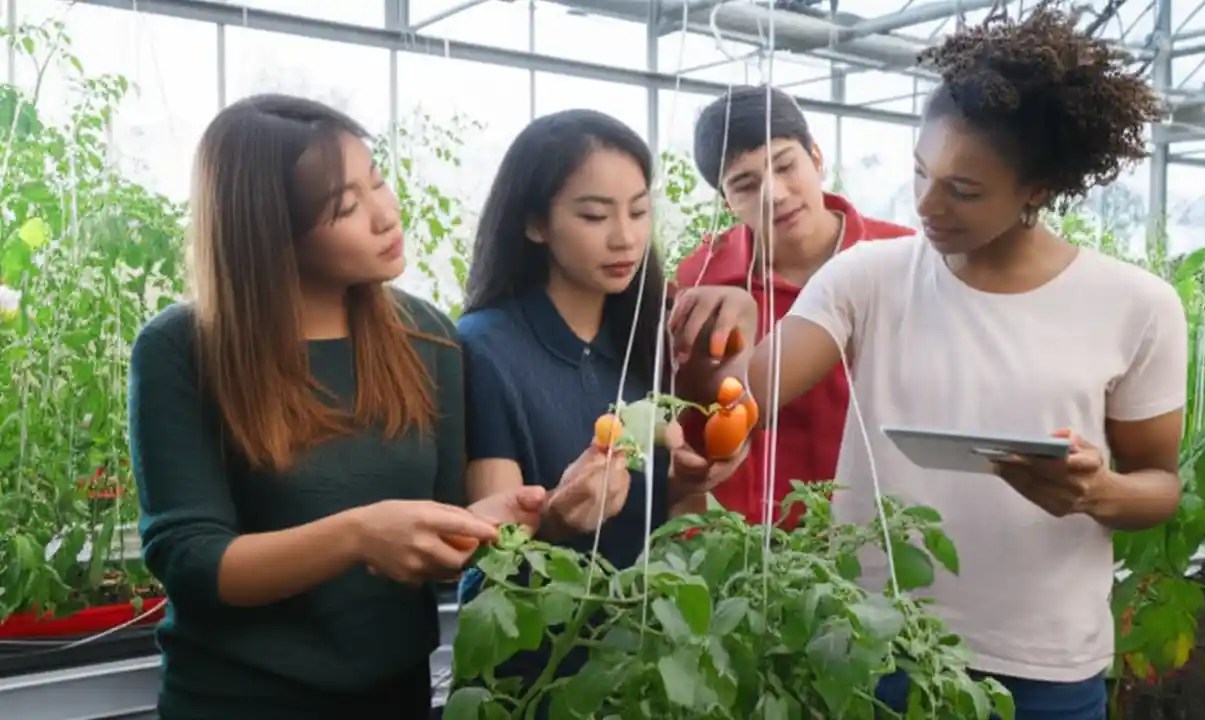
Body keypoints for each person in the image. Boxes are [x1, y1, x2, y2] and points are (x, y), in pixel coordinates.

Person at [734, 6, 1183, 719]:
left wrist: (1095, 491)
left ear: (1038, 188)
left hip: (1042, 664)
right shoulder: (867, 278)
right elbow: (748, 396)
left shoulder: (1137, 304)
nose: (926, 204)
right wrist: (731, 342)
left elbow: (1160, 483)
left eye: (963, 191)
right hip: (874, 641)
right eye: (921, 172)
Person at [128, 94, 542, 720]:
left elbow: (437, 533)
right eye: (347, 206)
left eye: (376, 181)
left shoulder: (425, 336)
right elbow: (193, 562)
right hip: (239, 703)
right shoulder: (182, 349)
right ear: (269, 234)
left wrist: (531, 515)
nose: (385, 214)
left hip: (394, 697)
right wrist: (357, 535)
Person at [455, 108, 749, 706]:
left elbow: (666, 514)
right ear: (535, 223)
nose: (625, 237)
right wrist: (559, 518)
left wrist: (693, 481)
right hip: (538, 679)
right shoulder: (485, 348)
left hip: (646, 671)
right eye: (594, 214)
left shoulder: (648, 339)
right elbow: (488, 568)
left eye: (639, 211)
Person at [669, 83, 914, 530]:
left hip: (880, 534)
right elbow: (690, 416)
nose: (775, 193)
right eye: (745, 185)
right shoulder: (703, 280)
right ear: (726, 201)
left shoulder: (902, 258)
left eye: (785, 166)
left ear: (817, 158)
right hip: (748, 543)